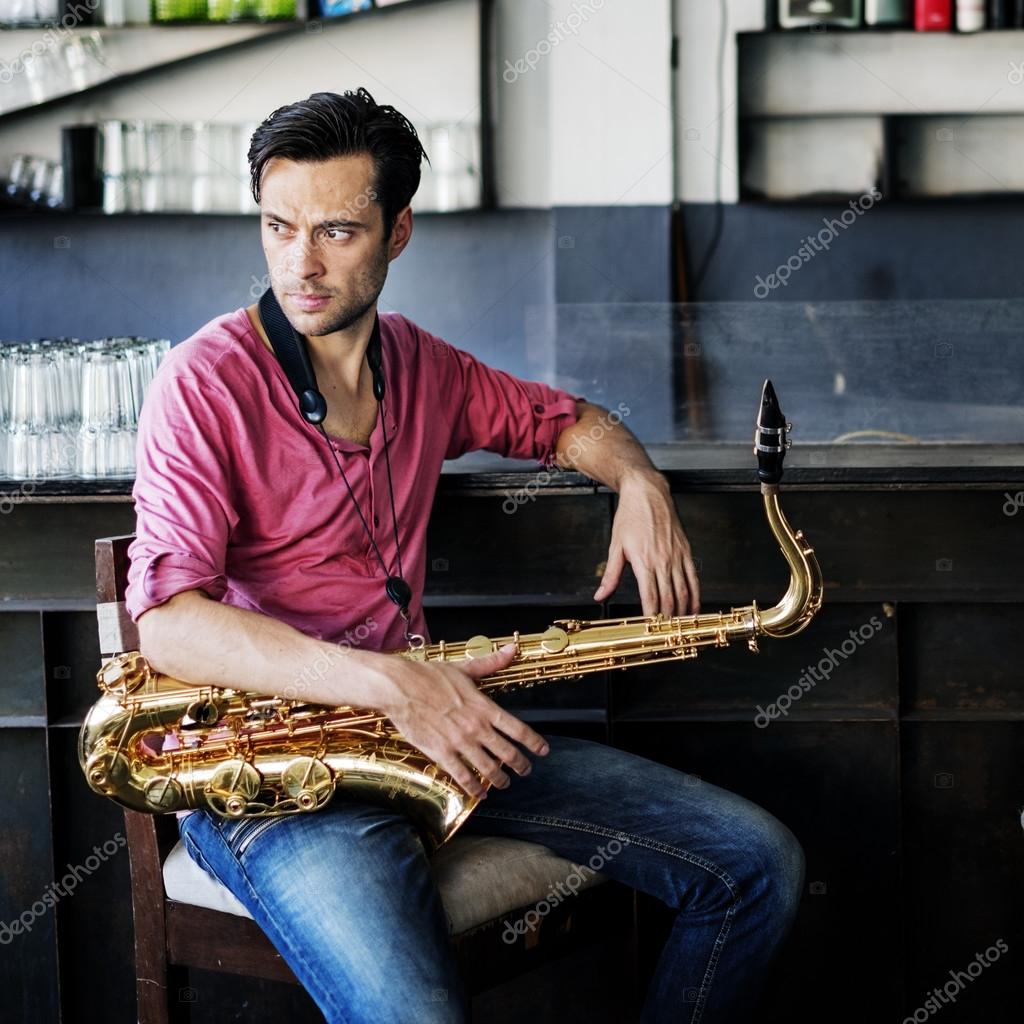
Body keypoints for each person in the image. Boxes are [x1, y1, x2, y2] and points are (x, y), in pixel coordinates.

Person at [125, 87, 804, 1024]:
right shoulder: (203, 383)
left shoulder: (421, 365)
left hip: (429, 736)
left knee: (755, 865)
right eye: (278, 228)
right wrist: (392, 684)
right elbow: (167, 623)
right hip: (274, 781)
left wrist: (640, 483)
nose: (301, 265)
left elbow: (571, 422)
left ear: (398, 231)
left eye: (336, 232)